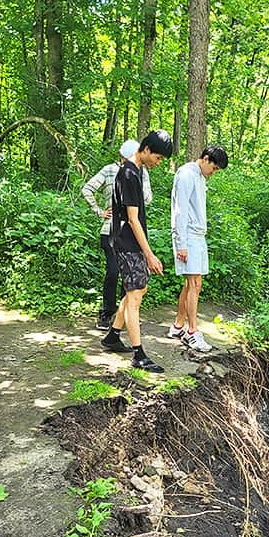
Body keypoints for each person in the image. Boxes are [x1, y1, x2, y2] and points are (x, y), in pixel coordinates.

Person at [101, 130, 173, 372]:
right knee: (134, 295)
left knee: (139, 289)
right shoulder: (130, 174)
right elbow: (133, 219)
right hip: (126, 241)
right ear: (146, 150)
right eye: (159, 158)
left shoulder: (136, 170)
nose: (158, 163)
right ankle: (138, 354)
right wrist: (150, 254)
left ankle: (112, 336)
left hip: (129, 241)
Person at [82, 140, 152, 330]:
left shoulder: (141, 172)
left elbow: (148, 197)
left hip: (131, 233)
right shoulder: (109, 170)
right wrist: (99, 211)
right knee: (113, 272)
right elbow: (87, 189)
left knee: (128, 279)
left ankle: (127, 314)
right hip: (110, 230)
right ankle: (106, 313)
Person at [167, 146, 228, 352]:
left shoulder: (200, 177)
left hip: (198, 236)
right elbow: (180, 211)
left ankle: (178, 326)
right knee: (194, 283)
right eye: (215, 168)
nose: (214, 172)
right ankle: (192, 332)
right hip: (188, 237)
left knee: (192, 284)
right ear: (205, 159)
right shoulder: (186, 174)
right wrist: (181, 243)